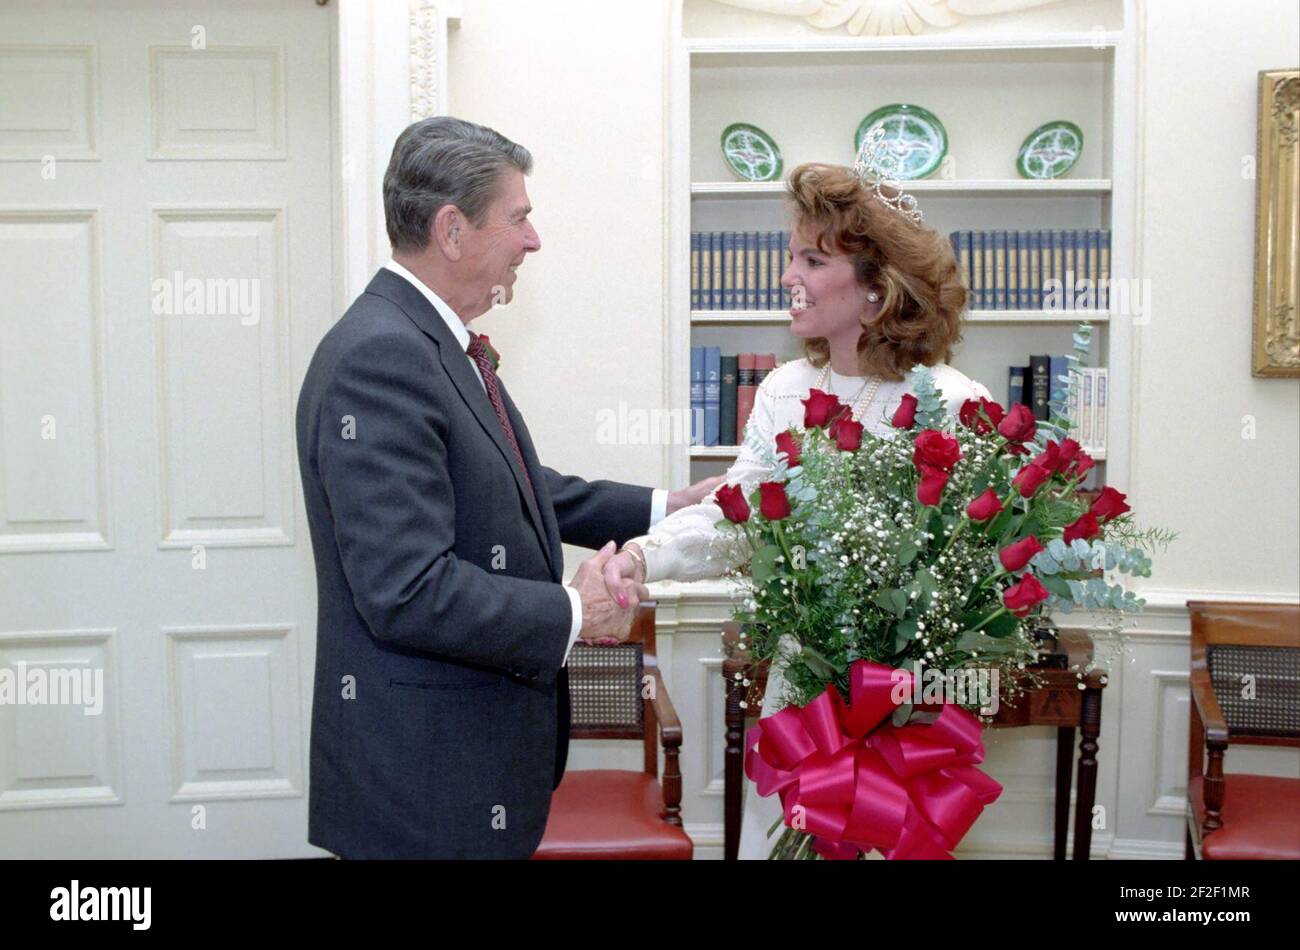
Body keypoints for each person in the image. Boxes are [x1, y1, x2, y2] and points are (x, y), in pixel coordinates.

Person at [295, 116, 718, 859]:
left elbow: (515, 488)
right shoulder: (383, 356)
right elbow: (407, 589)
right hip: (426, 787)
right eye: (518, 217)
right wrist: (573, 608)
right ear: (452, 230)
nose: (534, 240)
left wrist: (661, 506)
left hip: (462, 774)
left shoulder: (428, 340)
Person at [605, 159, 995, 858]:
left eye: (812, 260)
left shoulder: (955, 400)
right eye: (793, 256)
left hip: (910, 705)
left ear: (877, 288)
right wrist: (643, 556)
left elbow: (974, 562)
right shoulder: (785, 391)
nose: (789, 275)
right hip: (801, 696)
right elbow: (739, 513)